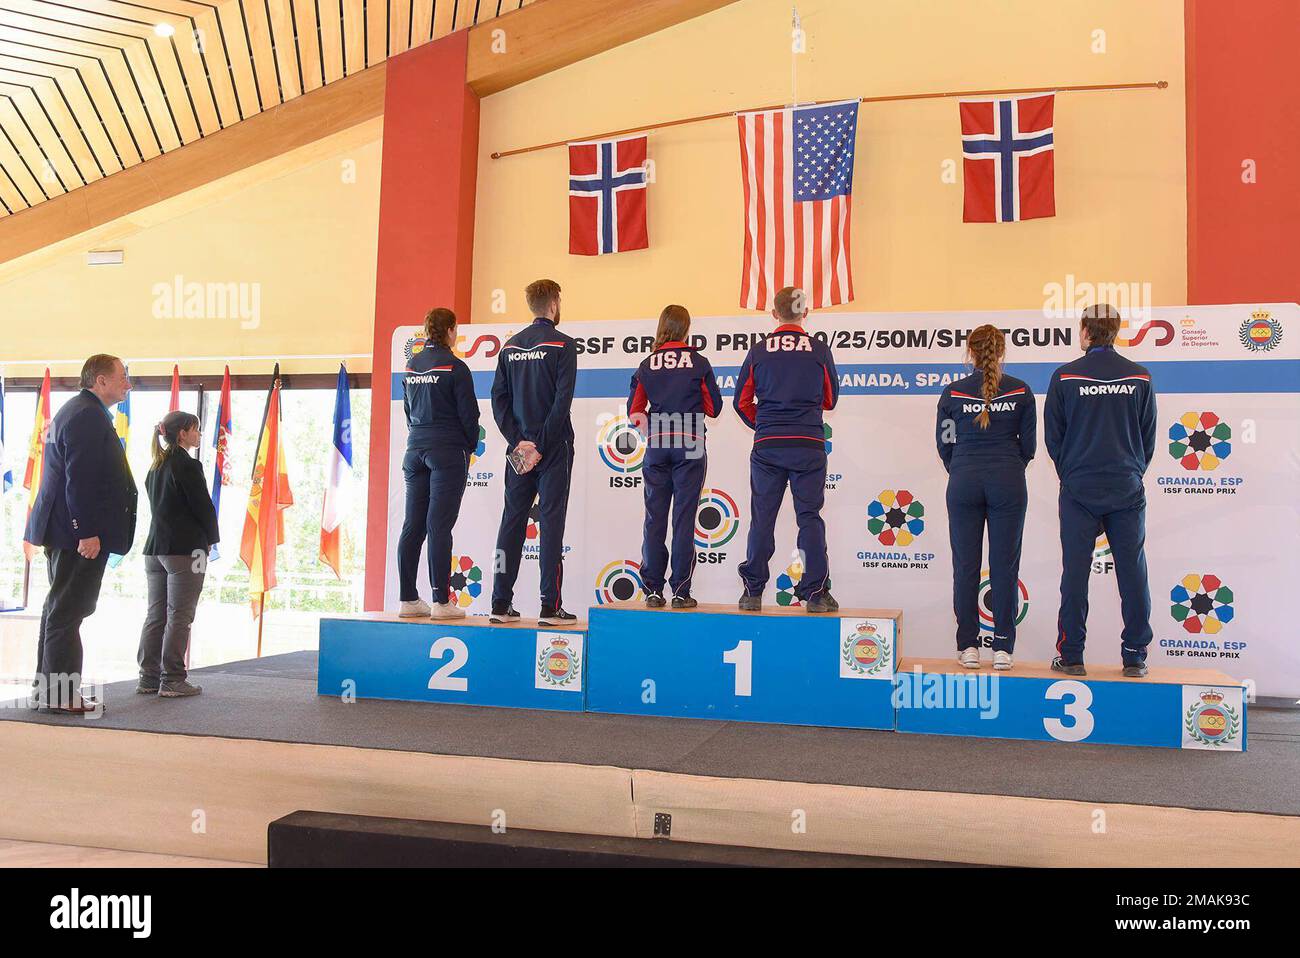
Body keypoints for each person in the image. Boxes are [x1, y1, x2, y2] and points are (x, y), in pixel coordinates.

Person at [1045, 304, 1157, 677]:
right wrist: (1130, 470)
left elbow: (1053, 438)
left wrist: (1073, 472)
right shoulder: (1140, 376)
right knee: (1132, 572)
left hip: (1080, 489)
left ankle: (1072, 655)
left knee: (1074, 574)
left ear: (1086, 332)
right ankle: (1135, 656)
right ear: (1115, 332)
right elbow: (1147, 439)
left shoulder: (1063, 377)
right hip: (1125, 487)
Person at [24, 354, 137, 713]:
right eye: (122, 377)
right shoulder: (87, 415)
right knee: (67, 612)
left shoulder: (78, 411)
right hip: (76, 536)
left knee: (58, 608)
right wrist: (86, 532)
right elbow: (80, 482)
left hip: (61, 531)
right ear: (99, 381)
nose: (128, 384)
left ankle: (47, 691)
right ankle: (59, 695)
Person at [935, 325, 1036, 671]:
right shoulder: (1022, 391)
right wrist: (1006, 466)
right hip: (1008, 481)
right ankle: (1003, 648)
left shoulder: (952, 393)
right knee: (1005, 567)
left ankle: (968, 647)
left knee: (965, 567)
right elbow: (1029, 447)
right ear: (1002, 352)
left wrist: (962, 467)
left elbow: (945, 442)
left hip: (963, 481)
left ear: (971, 352)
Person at [733, 287, 840, 613]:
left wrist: (765, 425)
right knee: (809, 517)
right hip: (808, 443)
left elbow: (741, 402)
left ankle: (752, 592)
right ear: (805, 313)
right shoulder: (819, 350)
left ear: (774, 314)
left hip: (768, 445)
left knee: (762, 518)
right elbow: (830, 398)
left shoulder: (759, 351)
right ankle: (816, 594)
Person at [490, 279, 578, 624]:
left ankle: (499, 604)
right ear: (554, 304)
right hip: (553, 447)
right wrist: (540, 444)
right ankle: (549, 606)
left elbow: (498, 400)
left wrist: (519, 442)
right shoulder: (564, 345)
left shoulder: (509, 347)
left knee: (511, 522)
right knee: (551, 523)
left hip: (519, 450)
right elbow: (562, 401)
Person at [627, 305, 723, 609]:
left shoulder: (647, 363)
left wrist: (651, 430)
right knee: (683, 518)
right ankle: (681, 591)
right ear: (686, 329)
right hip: (691, 439)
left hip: (657, 442)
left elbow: (635, 411)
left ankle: (652, 590)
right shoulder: (699, 362)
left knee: (654, 518)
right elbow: (714, 408)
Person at [397, 307, 480, 619]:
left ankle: (407, 599)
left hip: (414, 449)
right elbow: (470, 417)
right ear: (451, 331)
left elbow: (408, 413)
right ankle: (441, 602)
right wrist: (468, 446)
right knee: (439, 525)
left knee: (412, 525)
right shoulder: (456, 368)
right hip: (447, 451)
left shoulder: (412, 366)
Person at [136, 410, 219, 697]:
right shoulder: (188, 465)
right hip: (186, 550)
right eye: (195, 429)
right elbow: (203, 507)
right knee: (180, 615)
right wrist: (211, 539)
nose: (198, 434)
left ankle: (149, 677)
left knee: (156, 614)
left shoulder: (155, 466)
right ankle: (172, 679)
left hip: (155, 549)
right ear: (182, 433)